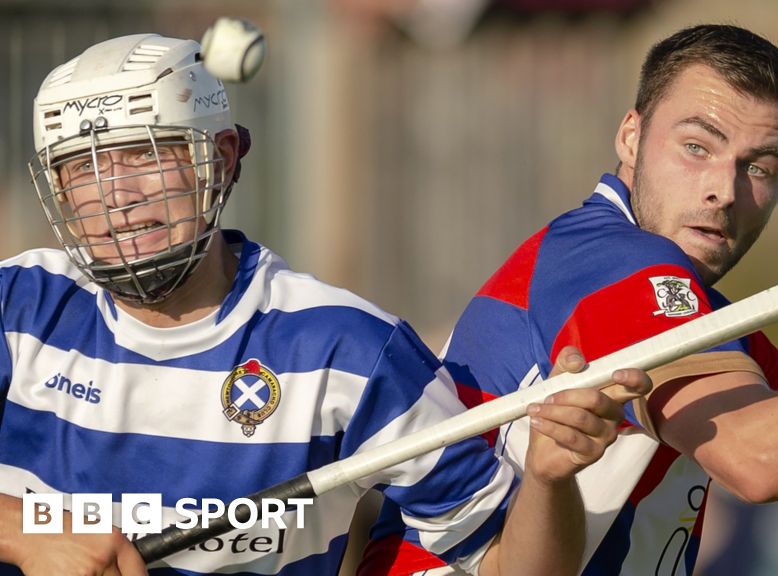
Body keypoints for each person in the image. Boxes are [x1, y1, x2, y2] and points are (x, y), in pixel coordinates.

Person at [362, 24, 778, 576]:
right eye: (696, 147)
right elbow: (755, 458)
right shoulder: (615, 266)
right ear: (630, 137)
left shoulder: (704, 321)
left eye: (758, 167)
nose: (724, 191)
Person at [0, 33, 652, 576]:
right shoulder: (16, 305)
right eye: (81, 167)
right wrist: (22, 533)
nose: (117, 196)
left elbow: (513, 567)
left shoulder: (350, 350)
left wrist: (548, 478)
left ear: (220, 159)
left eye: (147, 154)